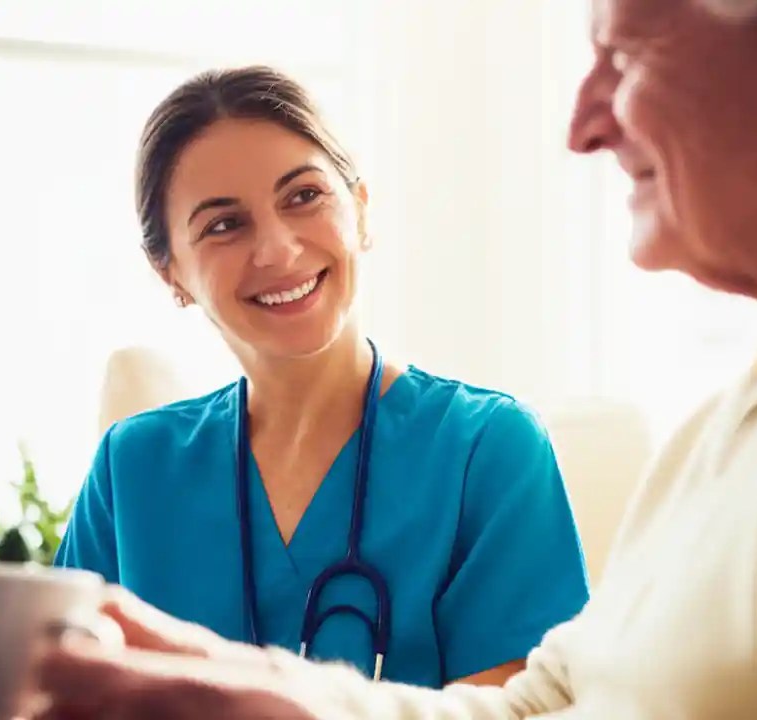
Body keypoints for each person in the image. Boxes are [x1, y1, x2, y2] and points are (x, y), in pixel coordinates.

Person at [30, 0, 757, 717]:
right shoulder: (746, 409)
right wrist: (263, 692)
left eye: (622, 55)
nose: (582, 125)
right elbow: (546, 705)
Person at [51, 66, 589, 690]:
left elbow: (526, 707)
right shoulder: (132, 469)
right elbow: (59, 691)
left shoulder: (487, 449)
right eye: (224, 224)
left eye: (304, 196)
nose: (277, 249)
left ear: (360, 210)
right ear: (168, 271)